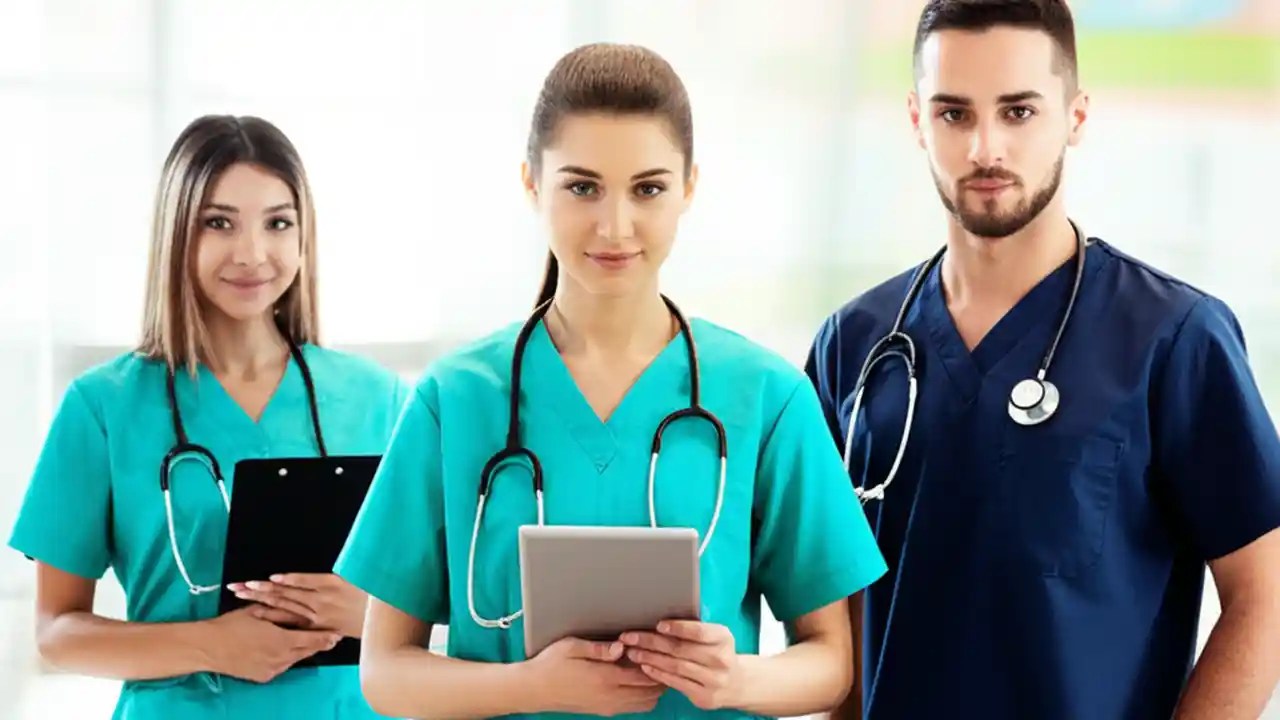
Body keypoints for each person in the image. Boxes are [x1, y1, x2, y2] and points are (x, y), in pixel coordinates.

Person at [333, 42, 887, 720]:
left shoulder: (766, 398)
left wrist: (735, 680)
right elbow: (384, 671)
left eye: (648, 189)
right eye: (582, 186)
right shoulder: (455, 400)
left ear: (688, 188)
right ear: (533, 184)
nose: (615, 225)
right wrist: (535, 687)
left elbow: (832, 662)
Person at [804, 1, 1280, 719]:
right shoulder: (854, 345)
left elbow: (1265, 596)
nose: (984, 148)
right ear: (915, 120)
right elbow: (828, 616)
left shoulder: (1173, 337)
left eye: (1019, 112)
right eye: (953, 114)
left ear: (1076, 117)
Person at [7, 115, 408, 719]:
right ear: (177, 234)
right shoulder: (103, 407)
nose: (252, 254)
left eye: (278, 223)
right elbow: (57, 632)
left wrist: (370, 615)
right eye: (219, 223)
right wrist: (210, 645)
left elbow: (446, 604)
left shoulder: (380, 399)